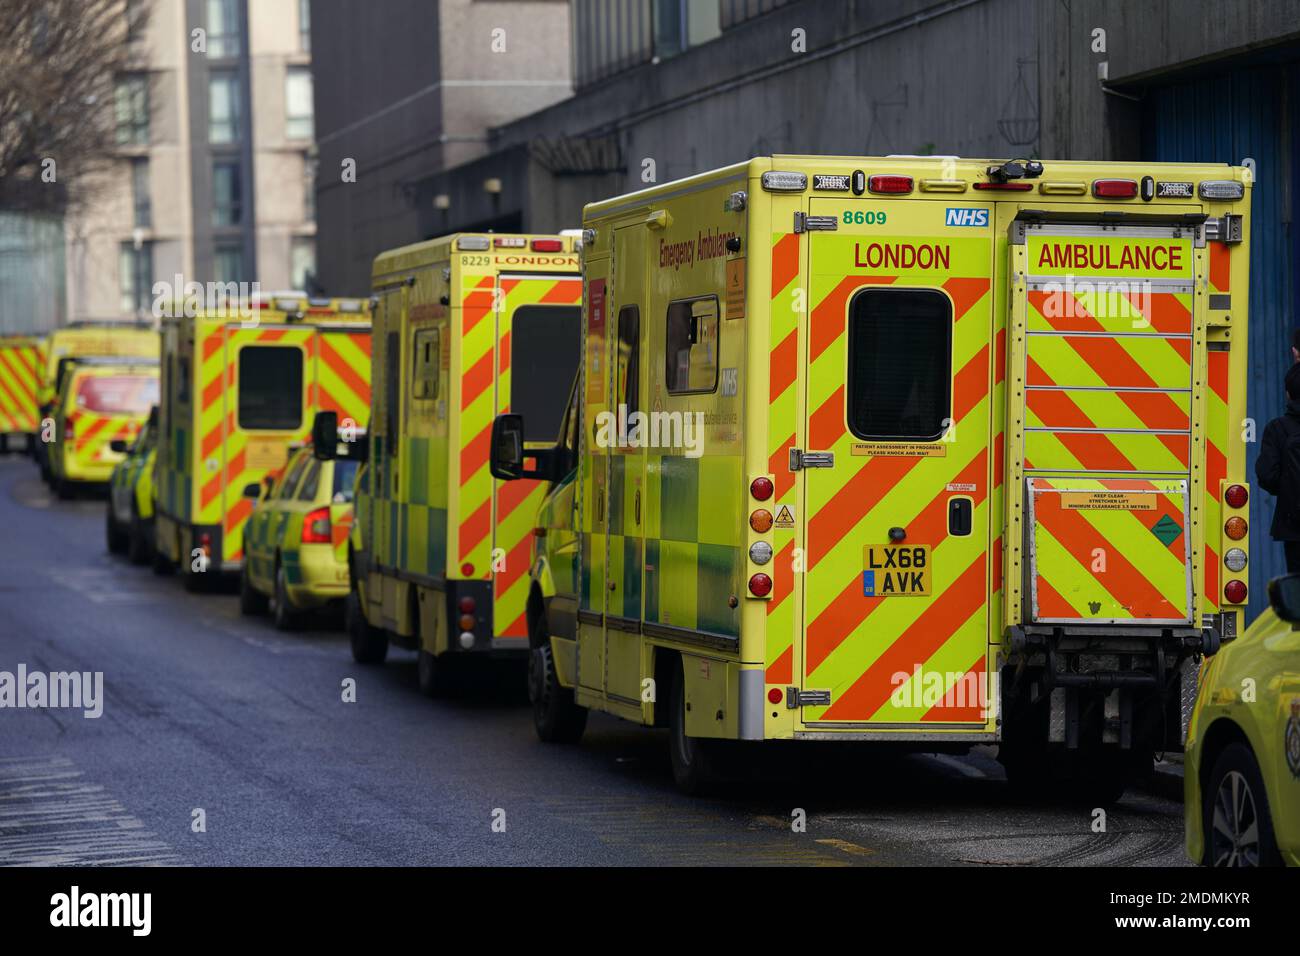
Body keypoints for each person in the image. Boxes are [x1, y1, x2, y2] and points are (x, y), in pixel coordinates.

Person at [1256, 362, 1300, 573]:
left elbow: (1266, 475)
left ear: (1288, 394)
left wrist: (1289, 488)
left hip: (1293, 526)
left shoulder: (1277, 428)